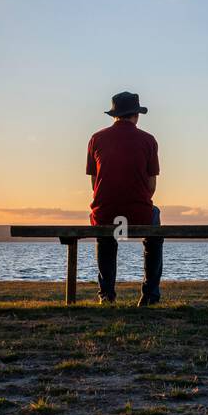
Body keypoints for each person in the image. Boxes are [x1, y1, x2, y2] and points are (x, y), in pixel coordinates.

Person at [85, 91, 162, 306]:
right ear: (136, 115)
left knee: (105, 236)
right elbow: (151, 185)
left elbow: (94, 183)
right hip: (140, 212)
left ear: (114, 115)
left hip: (105, 211)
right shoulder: (148, 140)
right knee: (154, 234)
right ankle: (150, 296)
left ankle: (106, 295)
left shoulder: (96, 138)